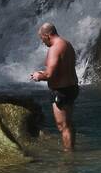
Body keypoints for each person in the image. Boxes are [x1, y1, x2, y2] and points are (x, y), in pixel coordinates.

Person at [29, 22, 78, 151]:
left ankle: (69, 154)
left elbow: (49, 74)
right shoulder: (67, 44)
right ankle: (71, 148)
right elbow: (62, 69)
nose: (43, 42)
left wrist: (38, 76)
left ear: (48, 35)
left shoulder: (54, 48)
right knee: (69, 123)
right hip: (72, 88)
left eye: (42, 39)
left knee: (63, 126)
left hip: (61, 91)